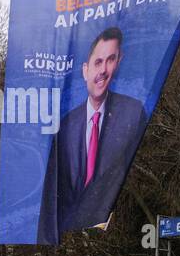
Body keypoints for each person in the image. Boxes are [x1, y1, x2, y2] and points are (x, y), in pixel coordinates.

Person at [36, 27, 148, 243]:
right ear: (85, 70)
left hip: (114, 235)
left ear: (118, 63)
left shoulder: (133, 113)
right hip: (71, 237)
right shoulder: (65, 125)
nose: (103, 70)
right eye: (98, 62)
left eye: (111, 60)